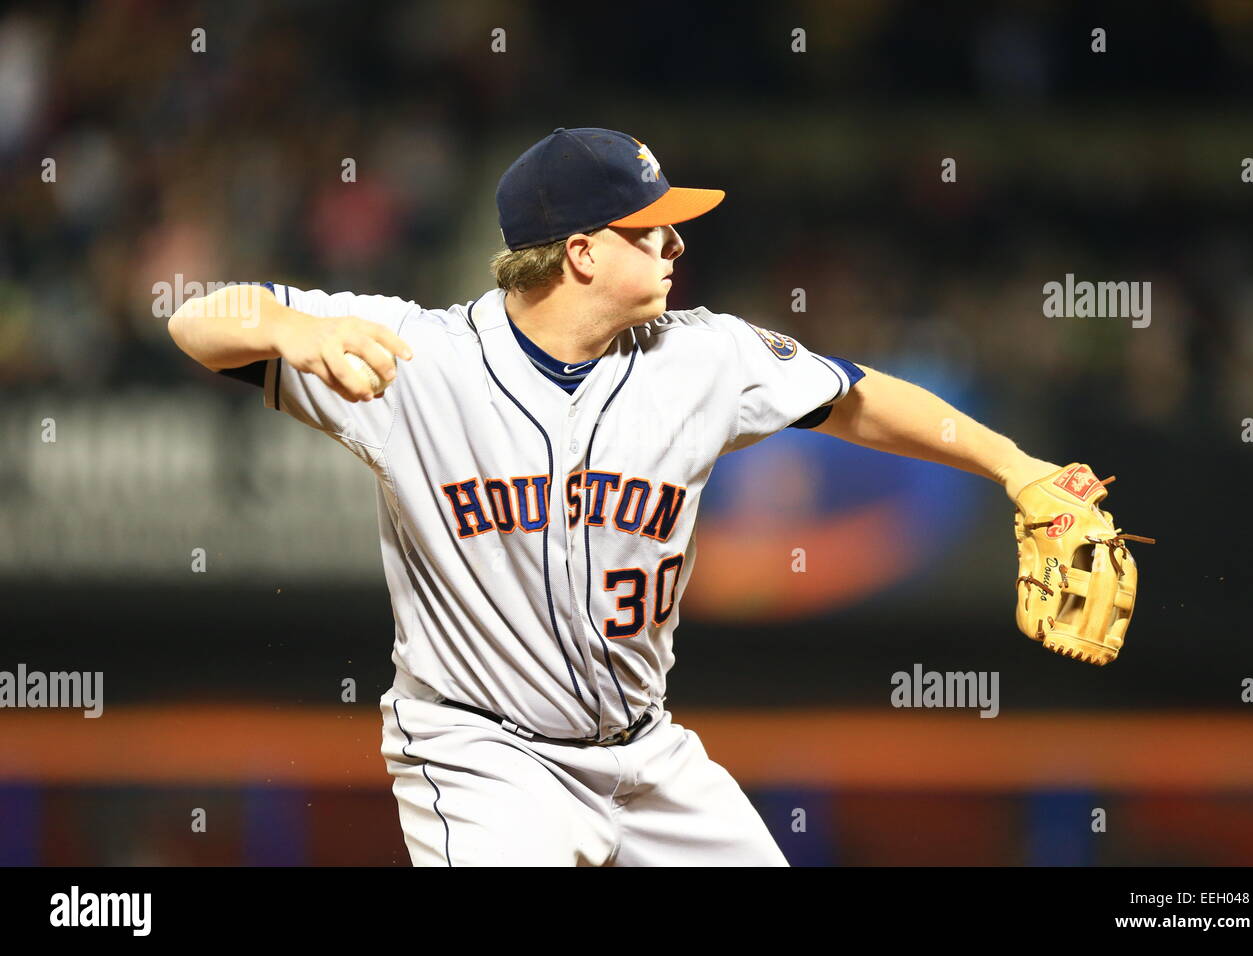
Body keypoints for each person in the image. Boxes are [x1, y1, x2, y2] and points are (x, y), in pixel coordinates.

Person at [168, 127, 1057, 866]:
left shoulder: (706, 357)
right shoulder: (419, 358)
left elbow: (860, 397)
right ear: (582, 252)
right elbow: (193, 319)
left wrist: (1017, 467)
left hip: (646, 751)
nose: (675, 243)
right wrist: (289, 324)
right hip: (482, 755)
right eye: (650, 229)